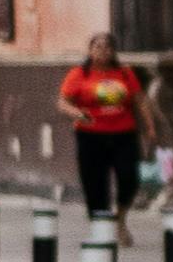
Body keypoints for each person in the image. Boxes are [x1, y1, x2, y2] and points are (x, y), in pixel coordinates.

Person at [59, 29, 154, 218]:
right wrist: (77, 113)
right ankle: (99, 224)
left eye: (107, 47)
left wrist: (150, 127)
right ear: (90, 50)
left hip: (123, 134)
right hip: (90, 135)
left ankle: (120, 217)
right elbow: (63, 102)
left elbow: (139, 101)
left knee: (129, 178)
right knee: (94, 182)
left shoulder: (125, 74)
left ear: (113, 51)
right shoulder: (78, 75)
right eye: (98, 46)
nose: (103, 50)